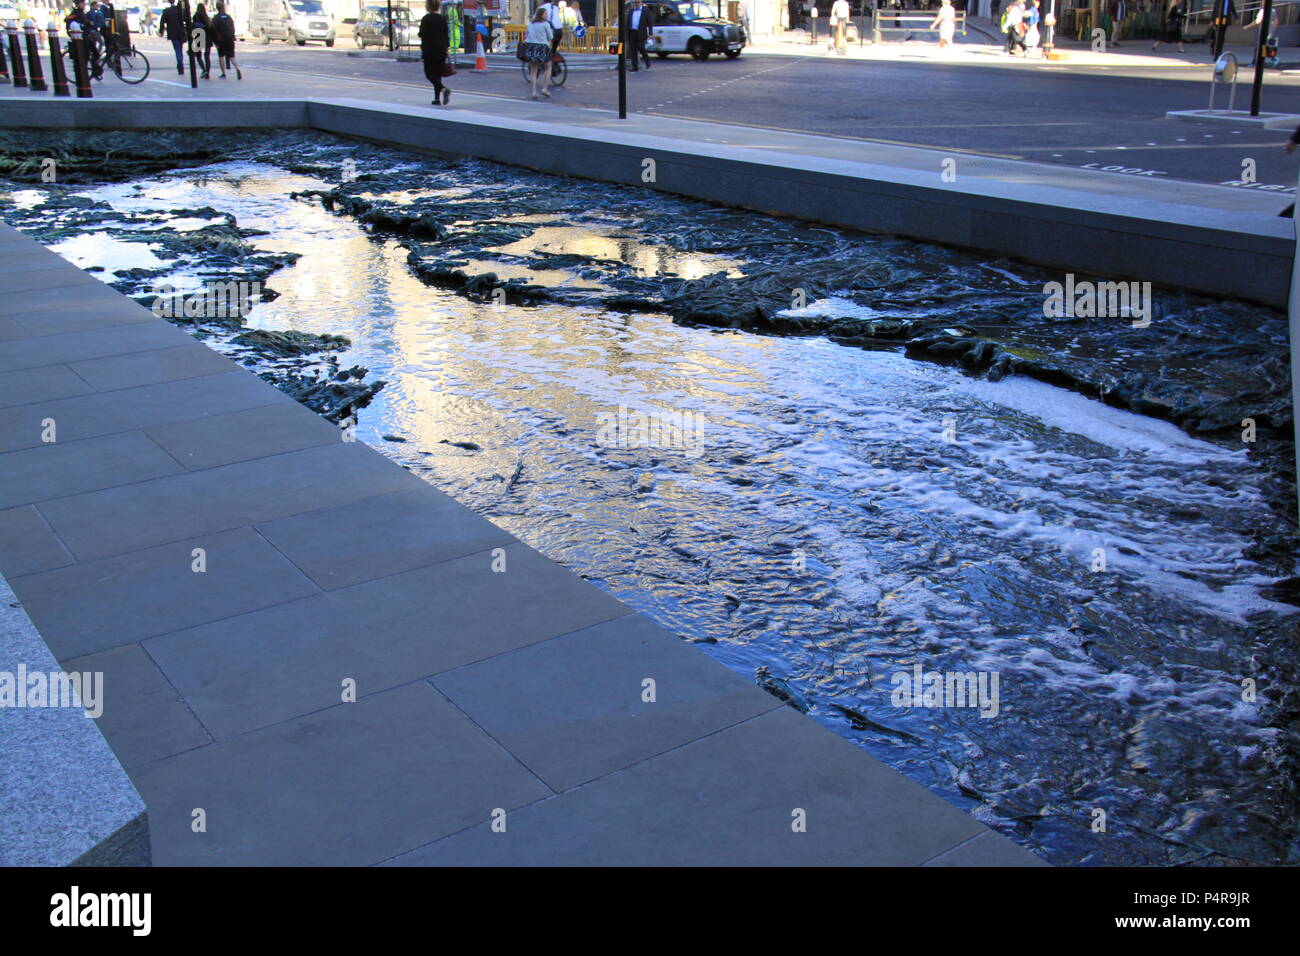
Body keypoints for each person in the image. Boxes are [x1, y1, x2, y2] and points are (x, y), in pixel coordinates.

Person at [419, 0, 451, 105]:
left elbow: (421, 34)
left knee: (429, 74)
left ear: (428, 6)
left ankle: (443, 89)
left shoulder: (426, 19)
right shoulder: (442, 19)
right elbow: (446, 35)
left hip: (429, 50)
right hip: (441, 50)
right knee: (437, 74)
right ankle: (437, 98)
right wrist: (446, 48)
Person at [523, 6, 553, 99]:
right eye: (545, 13)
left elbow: (526, 34)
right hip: (542, 47)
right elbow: (550, 36)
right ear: (541, 15)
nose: (547, 15)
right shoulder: (545, 24)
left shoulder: (530, 24)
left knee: (533, 70)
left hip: (531, 47)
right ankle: (544, 88)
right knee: (548, 67)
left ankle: (533, 92)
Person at [211, 0, 240, 79]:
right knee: (232, 56)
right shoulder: (228, 17)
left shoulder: (215, 18)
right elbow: (233, 28)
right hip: (230, 39)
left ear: (217, 8)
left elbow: (213, 30)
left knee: (221, 56)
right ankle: (237, 68)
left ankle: (223, 73)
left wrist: (215, 41)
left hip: (221, 41)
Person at [160, 0, 185, 74]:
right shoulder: (179, 10)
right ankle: (180, 65)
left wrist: (161, 31)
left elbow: (162, 22)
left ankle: (180, 66)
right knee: (180, 50)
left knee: (177, 50)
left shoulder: (166, 11)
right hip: (180, 33)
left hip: (173, 33)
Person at [628, 0, 653, 70]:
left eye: (638, 2)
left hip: (641, 32)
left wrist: (650, 33)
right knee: (632, 50)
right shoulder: (631, 11)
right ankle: (634, 66)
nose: (637, 4)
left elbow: (650, 23)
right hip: (632, 32)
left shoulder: (646, 11)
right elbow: (628, 22)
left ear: (641, 3)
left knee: (641, 48)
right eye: (636, 2)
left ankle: (647, 61)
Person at [194, 1, 214, 79]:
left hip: (199, 38)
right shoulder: (207, 17)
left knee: (198, 56)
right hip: (208, 39)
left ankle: (204, 69)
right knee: (207, 56)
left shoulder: (196, 16)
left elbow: (194, 27)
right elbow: (211, 29)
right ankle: (207, 72)